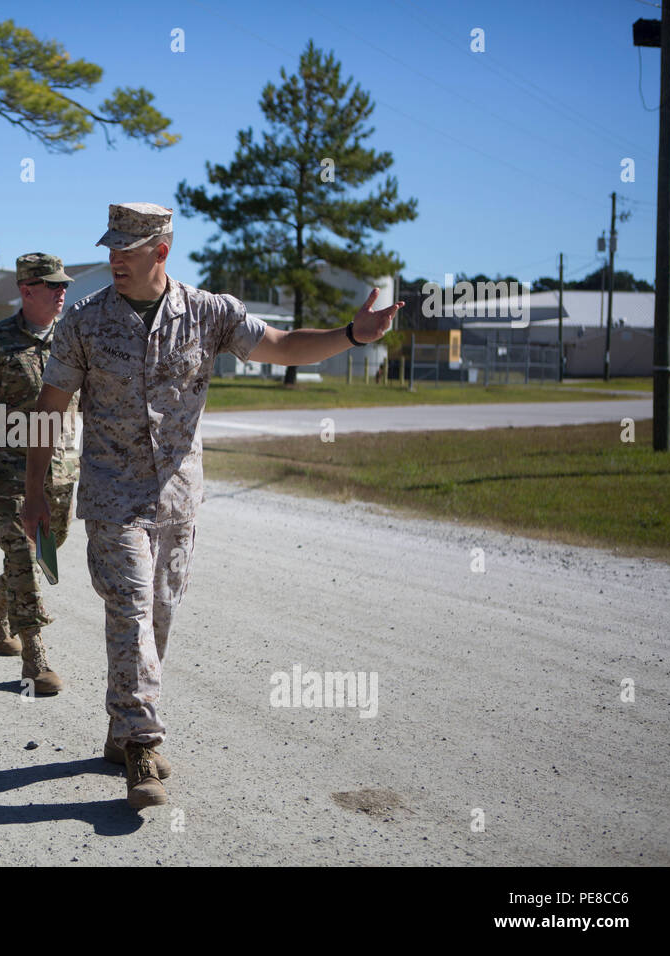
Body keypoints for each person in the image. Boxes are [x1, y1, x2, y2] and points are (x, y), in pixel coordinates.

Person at [21, 202, 403, 809]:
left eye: (128, 248)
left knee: (159, 616)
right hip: (113, 495)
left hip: (176, 500)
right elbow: (49, 406)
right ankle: (144, 744)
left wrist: (351, 335)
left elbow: (280, 345)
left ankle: (123, 730)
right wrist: (35, 491)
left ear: (161, 250)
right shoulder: (85, 323)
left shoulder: (208, 313)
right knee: (132, 608)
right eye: (111, 246)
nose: (115, 257)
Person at [0, 253, 79, 694]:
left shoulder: (70, 340)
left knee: (49, 548)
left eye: (63, 284)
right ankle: (35, 656)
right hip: (8, 472)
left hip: (61, 472)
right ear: (27, 290)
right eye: (53, 286)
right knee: (26, 558)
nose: (61, 292)